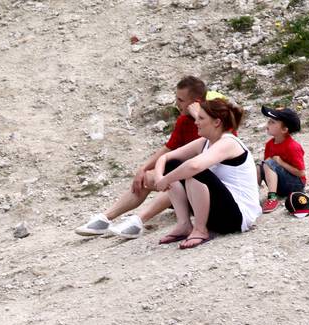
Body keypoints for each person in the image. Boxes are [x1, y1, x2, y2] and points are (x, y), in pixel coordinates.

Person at [74, 76, 226, 240]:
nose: (176, 103)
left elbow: (220, 143)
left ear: (195, 102)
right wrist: (143, 169)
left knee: (176, 179)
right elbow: (168, 149)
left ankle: (139, 220)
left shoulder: (218, 120)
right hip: (189, 187)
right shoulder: (183, 121)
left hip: (212, 190)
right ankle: (105, 218)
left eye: (181, 100)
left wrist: (199, 116)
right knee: (147, 178)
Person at [151, 97, 260, 249]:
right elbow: (166, 157)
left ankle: (200, 229)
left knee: (194, 170)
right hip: (218, 213)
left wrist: (166, 179)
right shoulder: (205, 142)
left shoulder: (229, 142)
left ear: (217, 122)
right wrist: (159, 177)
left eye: (201, 118)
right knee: (173, 165)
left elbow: (194, 166)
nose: (196, 122)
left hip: (236, 217)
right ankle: (184, 225)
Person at [257, 105, 306, 212]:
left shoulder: (293, 147)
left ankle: (272, 199)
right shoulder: (269, 144)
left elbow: (301, 173)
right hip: (280, 185)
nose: (268, 124)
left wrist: (281, 162)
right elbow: (267, 168)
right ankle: (252, 196)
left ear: (284, 129)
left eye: (272, 122)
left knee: (269, 163)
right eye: (269, 121)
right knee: (259, 166)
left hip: (296, 186)